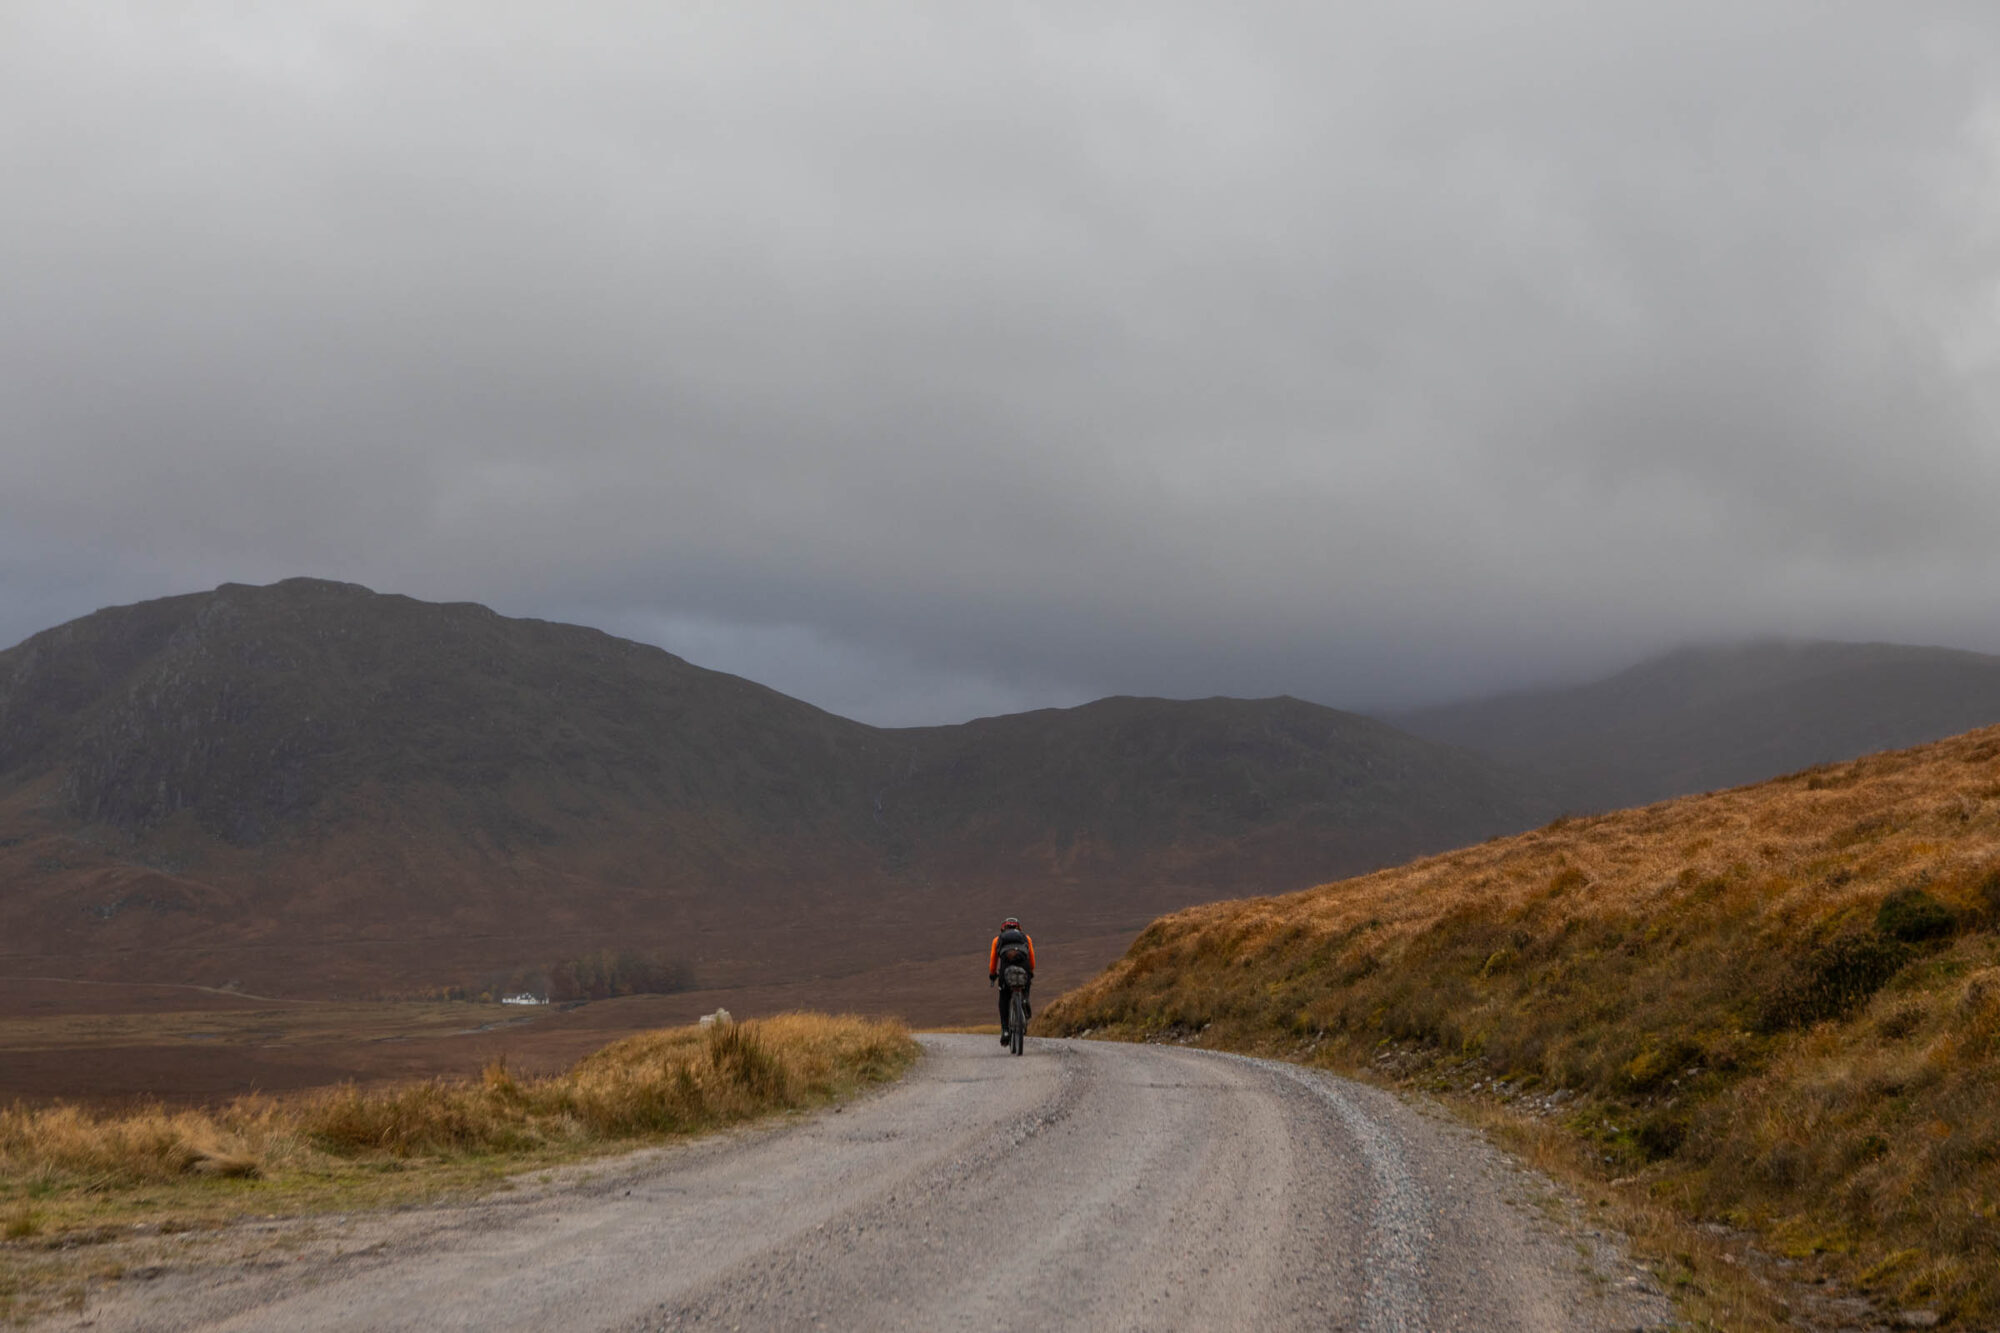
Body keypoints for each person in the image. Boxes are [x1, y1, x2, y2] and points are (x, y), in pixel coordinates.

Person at [988, 916, 1036, 1044]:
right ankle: (1025, 998)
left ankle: (1005, 1030)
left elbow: (993, 960)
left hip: (1005, 970)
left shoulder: (997, 940)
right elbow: (1031, 959)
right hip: (1023, 967)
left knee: (1003, 996)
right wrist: (1031, 971)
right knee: (1025, 982)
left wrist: (992, 974)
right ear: (1018, 928)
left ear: (1004, 928)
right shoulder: (1026, 938)